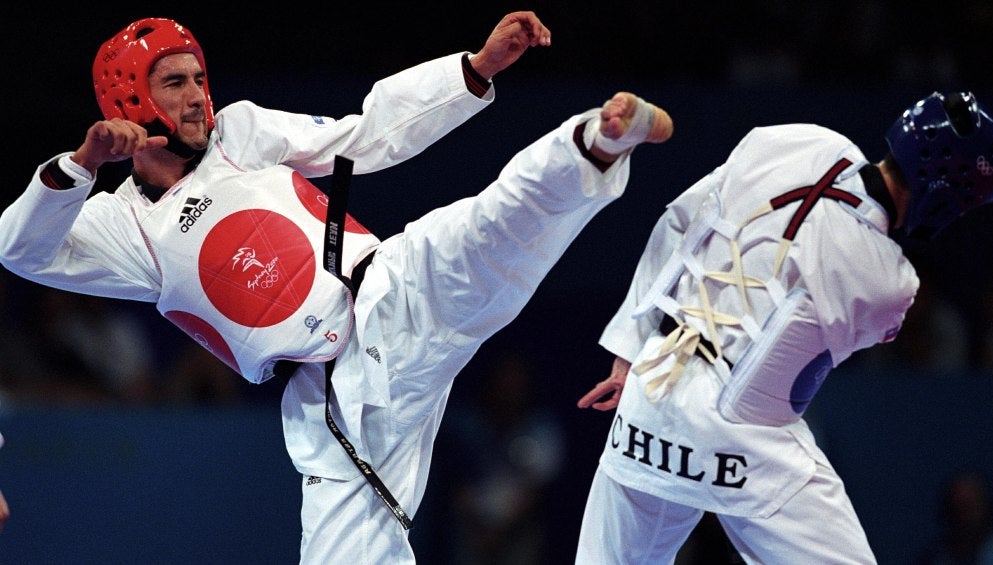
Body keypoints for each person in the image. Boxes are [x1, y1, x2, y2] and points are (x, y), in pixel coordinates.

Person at [0, 12, 674, 563]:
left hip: (389, 288)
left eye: (199, 77)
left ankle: (595, 141)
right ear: (128, 99)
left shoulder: (242, 131)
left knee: (490, 228)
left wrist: (477, 68)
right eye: (174, 82)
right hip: (334, 402)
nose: (197, 95)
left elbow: (365, 134)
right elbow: (19, 247)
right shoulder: (123, 227)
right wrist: (83, 163)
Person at [574, 91, 993, 563]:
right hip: (742, 440)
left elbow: (679, 221)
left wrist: (629, 351)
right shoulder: (892, 285)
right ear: (946, 192)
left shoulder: (800, 139)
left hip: (649, 391)